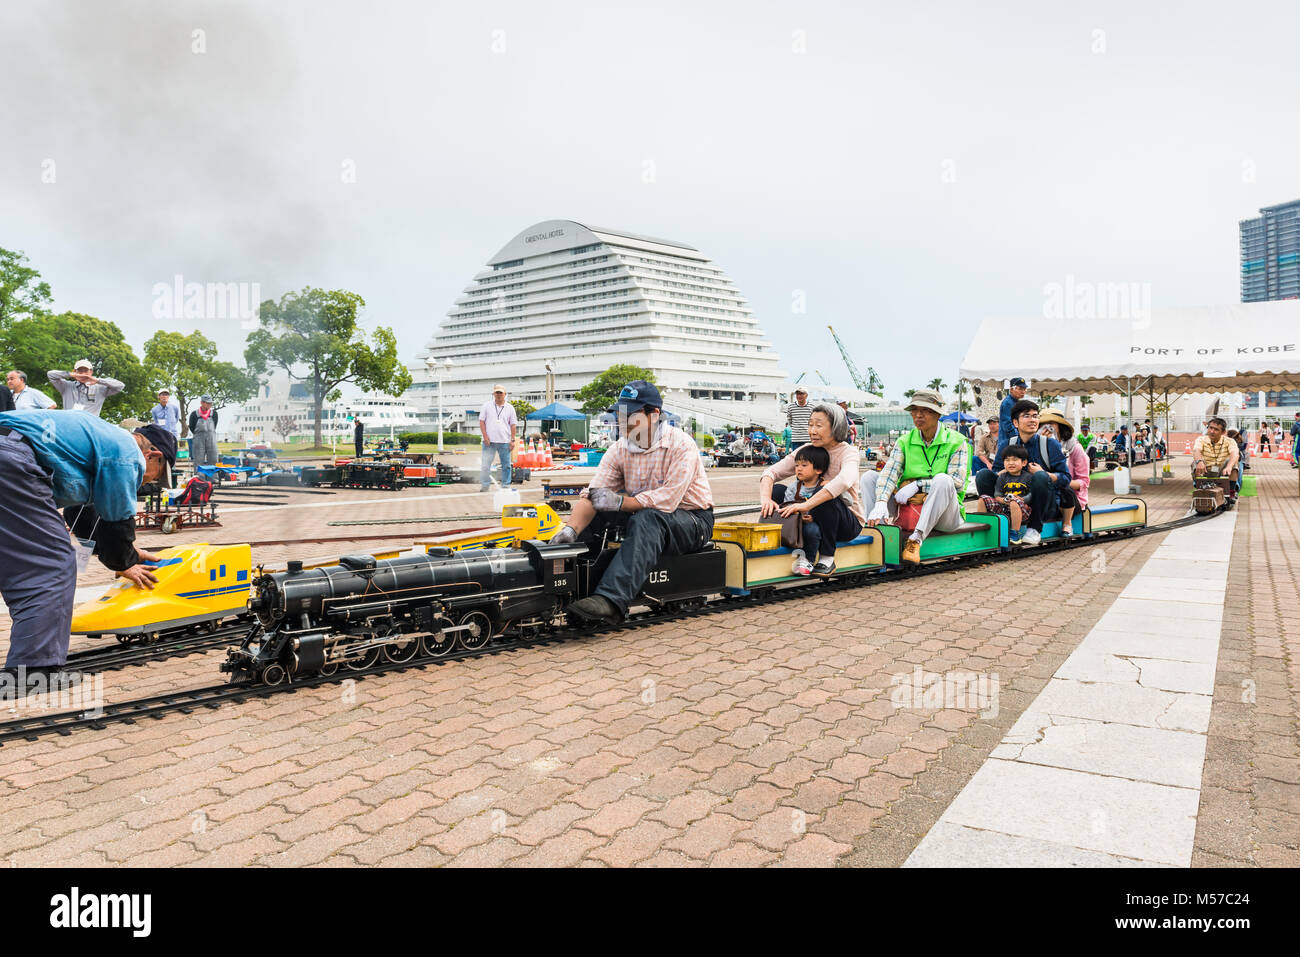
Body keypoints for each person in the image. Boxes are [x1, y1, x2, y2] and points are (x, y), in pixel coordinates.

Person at [0, 409, 167, 687]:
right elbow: (116, 517)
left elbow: (83, 517)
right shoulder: (126, 452)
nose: (150, 482)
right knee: (50, 565)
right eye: (157, 476)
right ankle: (31, 674)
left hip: (9, 454)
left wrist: (125, 556)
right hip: (12, 461)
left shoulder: (95, 440)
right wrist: (123, 561)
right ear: (154, 456)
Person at [552, 381, 714, 626]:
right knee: (598, 514)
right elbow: (593, 495)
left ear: (654, 415)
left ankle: (611, 599)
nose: (622, 420)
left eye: (630, 414)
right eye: (620, 414)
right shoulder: (619, 450)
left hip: (692, 520)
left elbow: (668, 501)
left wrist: (619, 502)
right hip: (647, 516)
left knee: (647, 518)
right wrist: (570, 529)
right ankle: (565, 585)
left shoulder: (682, 445)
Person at [860, 389, 969, 564]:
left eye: (924, 410)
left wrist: (918, 485)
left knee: (943, 480)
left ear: (937, 414)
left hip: (946, 516)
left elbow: (956, 482)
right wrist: (881, 501)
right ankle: (878, 530)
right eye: (914, 410)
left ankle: (916, 540)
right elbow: (890, 472)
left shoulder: (956, 441)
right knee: (870, 477)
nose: (918, 415)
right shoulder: (905, 441)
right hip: (910, 507)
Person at [761, 402, 863, 575]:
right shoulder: (807, 449)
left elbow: (845, 480)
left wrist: (806, 505)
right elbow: (771, 472)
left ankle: (826, 557)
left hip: (845, 522)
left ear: (835, 427)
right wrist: (766, 498)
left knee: (826, 492)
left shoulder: (849, 452)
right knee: (776, 490)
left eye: (819, 425)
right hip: (808, 519)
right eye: (810, 425)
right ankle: (782, 537)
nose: (812, 431)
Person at [974, 399, 1071, 546]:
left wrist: (1045, 473)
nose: (1033, 420)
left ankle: (1034, 529)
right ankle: (997, 521)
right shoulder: (1007, 444)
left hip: (1044, 504)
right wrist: (1006, 470)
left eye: (1035, 416)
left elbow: (1066, 478)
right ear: (1015, 423)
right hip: (1010, 501)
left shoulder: (1049, 444)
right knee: (983, 475)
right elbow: (995, 474)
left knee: (1040, 476)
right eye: (1027, 416)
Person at [780, 444, 831, 575]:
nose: (799, 469)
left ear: (818, 469)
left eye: (804, 465)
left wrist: (832, 485)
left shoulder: (824, 486)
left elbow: (844, 502)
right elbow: (786, 506)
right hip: (795, 524)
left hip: (818, 525)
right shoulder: (793, 487)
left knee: (812, 530)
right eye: (797, 466)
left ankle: (808, 560)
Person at [1039, 410, 1089, 537]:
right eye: (1043, 424)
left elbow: (1084, 482)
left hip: (1070, 499)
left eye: (1051, 424)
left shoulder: (1075, 448)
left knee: (1064, 488)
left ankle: (1067, 524)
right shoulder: (1037, 445)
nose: (1047, 428)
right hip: (1048, 496)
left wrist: (1058, 480)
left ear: (1060, 426)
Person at [980, 444, 1032, 543]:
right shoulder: (1002, 477)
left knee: (1014, 502)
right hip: (1004, 506)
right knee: (983, 498)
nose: (1011, 463)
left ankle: (1015, 533)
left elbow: (1031, 495)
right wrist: (1004, 500)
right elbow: (997, 495)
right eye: (1007, 460)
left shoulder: (1028, 477)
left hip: (1022, 509)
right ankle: (982, 526)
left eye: (1015, 460)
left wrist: (1021, 499)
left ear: (1024, 462)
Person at [47, 359, 124, 415]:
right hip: (70, 425)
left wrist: (98, 380)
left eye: (86, 371)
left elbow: (120, 386)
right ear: (75, 371)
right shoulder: (66, 386)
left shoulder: (100, 388)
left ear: (91, 372)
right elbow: (50, 374)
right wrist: (70, 374)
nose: (83, 374)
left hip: (90, 427)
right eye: (80, 371)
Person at [478, 384, 517, 492]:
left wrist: (512, 440)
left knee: (506, 466)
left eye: (501, 393)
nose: (499, 395)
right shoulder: (487, 406)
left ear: (505, 394)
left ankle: (506, 485)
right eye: (497, 392)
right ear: (493, 394)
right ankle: (485, 485)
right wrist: (485, 437)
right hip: (489, 442)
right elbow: (481, 422)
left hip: (505, 441)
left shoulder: (510, 408)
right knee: (485, 465)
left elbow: (513, 425)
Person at [1194, 418, 1240, 485]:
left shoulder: (1230, 441)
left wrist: (1229, 466)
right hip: (1206, 470)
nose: (1212, 431)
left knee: (1234, 463)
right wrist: (1199, 462)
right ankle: (1200, 488)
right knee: (1195, 462)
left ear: (1223, 432)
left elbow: (1235, 454)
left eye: (1216, 429)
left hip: (1223, 471)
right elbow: (1196, 450)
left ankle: (1231, 492)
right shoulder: (1201, 440)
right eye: (1210, 428)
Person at [995, 378, 1028, 457]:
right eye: (1020, 389)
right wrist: (1018, 438)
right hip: (1008, 442)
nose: (1023, 391)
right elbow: (1007, 424)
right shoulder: (1008, 403)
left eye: (1024, 389)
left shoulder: (1015, 402)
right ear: (1011, 389)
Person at [188, 395, 219, 469]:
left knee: (213, 459)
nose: (209, 405)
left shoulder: (214, 414)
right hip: (198, 440)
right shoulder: (194, 414)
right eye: (207, 403)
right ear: (201, 403)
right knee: (198, 460)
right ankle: (199, 478)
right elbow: (192, 428)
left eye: (210, 403)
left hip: (211, 439)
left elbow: (215, 425)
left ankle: (213, 478)